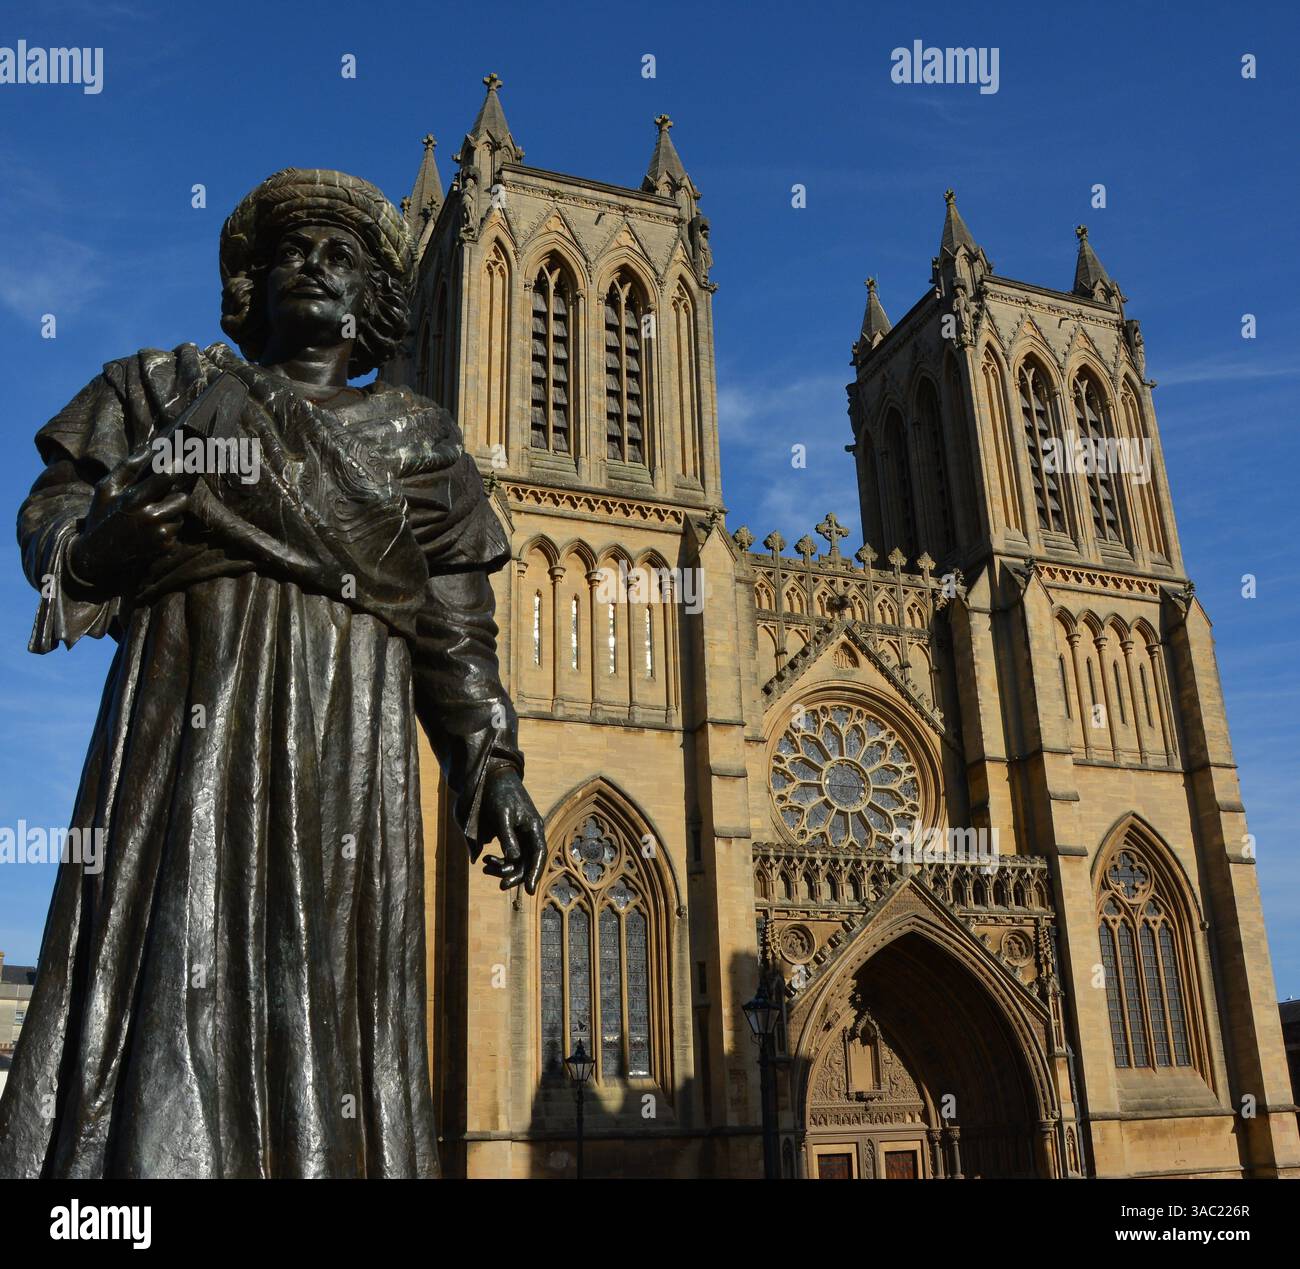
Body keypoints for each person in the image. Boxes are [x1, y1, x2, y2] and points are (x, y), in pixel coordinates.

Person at [0, 168, 544, 1178]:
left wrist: (491, 764)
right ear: (252, 282)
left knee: (327, 986)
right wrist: (97, 547)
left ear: (374, 299)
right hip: (182, 720)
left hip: (347, 739)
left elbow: (456, 632)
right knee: (172, 955)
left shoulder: (421, 444)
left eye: (341, 256)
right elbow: (52, 521)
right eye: (290, 250)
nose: (312, 267)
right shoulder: (162, 391)